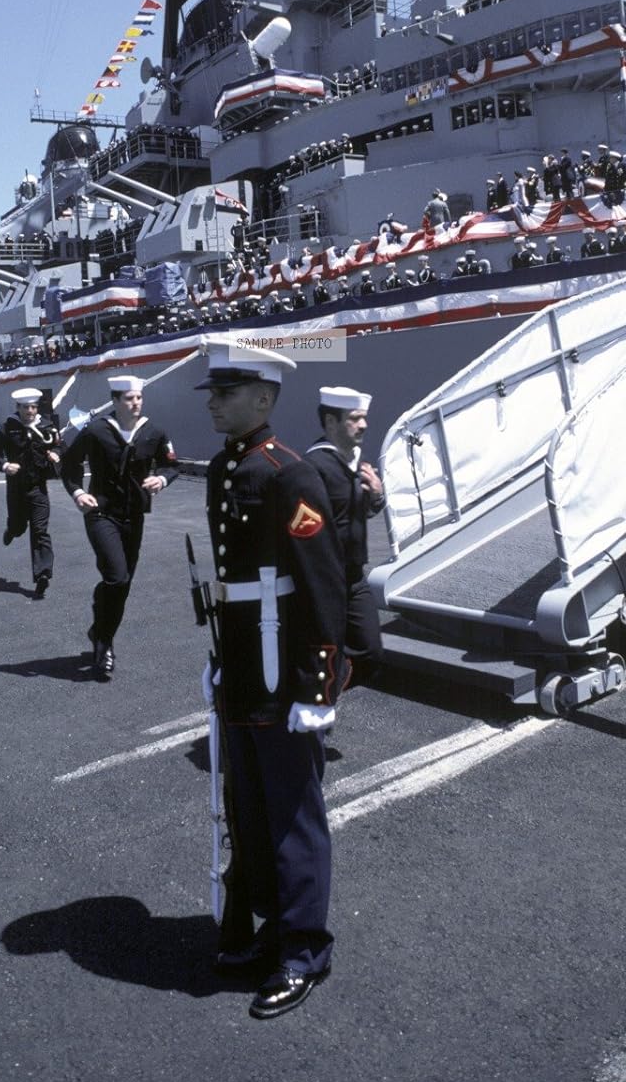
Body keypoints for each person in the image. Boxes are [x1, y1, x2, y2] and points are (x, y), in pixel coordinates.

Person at [196, 342, 347, 1020]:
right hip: (242, 669)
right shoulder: (226, 469)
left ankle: (303, 950)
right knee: (249, 814)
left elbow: (322, 587)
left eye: (226, 392)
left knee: (292, 819)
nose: (212, 402)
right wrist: (220, 662)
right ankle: (268, 928)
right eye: (212, 392)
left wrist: (317, 689)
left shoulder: (289, 475)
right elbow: (232, 583)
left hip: (283, 670)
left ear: (263, 398)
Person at [60, 375, 177, 681]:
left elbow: (171, 464)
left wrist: (162, 479)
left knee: (122, 585)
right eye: (128, 398)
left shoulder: (154, 431)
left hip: (134, 517)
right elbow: (68, 464)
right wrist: (77, 493)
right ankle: (104, 644)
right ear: (115, 401)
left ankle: (100, 631)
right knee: (115, 576)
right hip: (101, 514)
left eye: (138, 397)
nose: (135, 403)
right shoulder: (97, 431)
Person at [306, 386, 385, 682]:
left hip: (354, 578)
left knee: (371, 650)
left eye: (364, 417)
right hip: (324, 581)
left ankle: (330, 690)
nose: (363, 424)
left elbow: (356, 514)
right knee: (322, 654)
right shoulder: (314, 466)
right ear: (330, 422)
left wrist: (376, 495)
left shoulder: (356, 463)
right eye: (354, 418)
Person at [0, 387, 60, 600]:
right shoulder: (7, 427)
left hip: (38, 487)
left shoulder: (46, 426)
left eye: (33, 407)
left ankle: (42, 575)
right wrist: (5, 466)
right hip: (16, 488)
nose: (30, 411)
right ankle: (12, 530)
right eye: (26, 407)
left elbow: (58, 445)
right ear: (17, 408)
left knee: (40, 530)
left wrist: (55, 454)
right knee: (19, 526)